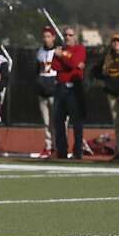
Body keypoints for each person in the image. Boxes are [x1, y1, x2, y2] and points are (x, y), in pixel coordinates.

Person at [93, 34, 119, 161]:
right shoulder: (107, 57)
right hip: (112, 93)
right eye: (114, 41)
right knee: (117, 124)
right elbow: (95, 70)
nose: (116, 43)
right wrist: (104, 80)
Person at [51, 28, 86, 159]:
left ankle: (77, 151)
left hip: (74, 88)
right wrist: (70, 62)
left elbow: (73, 63)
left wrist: (63, 56)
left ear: (75, 37)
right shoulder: (60, 49)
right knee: (58, 120)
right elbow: (55, 66)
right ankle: (62, 151)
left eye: (70, 35)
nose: (67, 37)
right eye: (65, 35)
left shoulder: (79, 49)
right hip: (60, 88)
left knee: (76, 121)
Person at [34, 27, 58, 159]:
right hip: (42, 91)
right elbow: (37, 70)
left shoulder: (58, 51)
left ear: (53, 37)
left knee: (57, 121)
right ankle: (48, 146)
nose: (46, 39)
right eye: (44, 36)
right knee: (46, 121)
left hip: (54, 91)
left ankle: (58, 145)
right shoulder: (40, 52)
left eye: (48, 36)